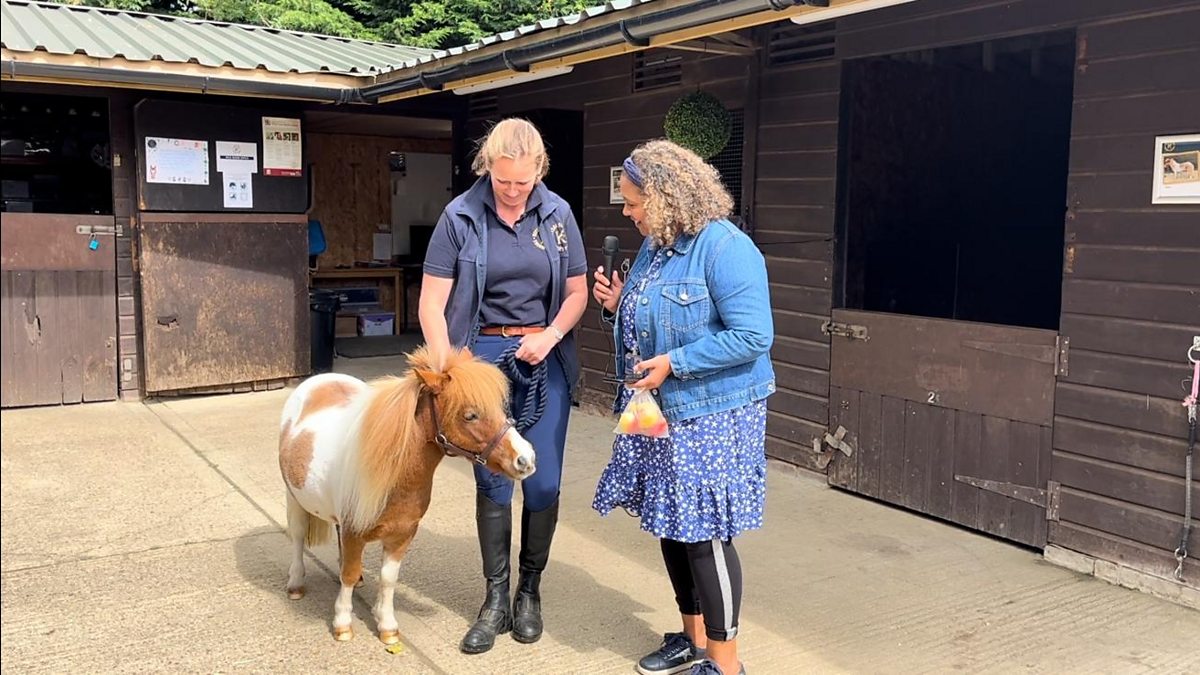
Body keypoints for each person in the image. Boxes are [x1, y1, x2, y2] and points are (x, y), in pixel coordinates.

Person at [591, 140, 775, 675]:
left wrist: (675, 361)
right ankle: (694, 640)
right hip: (654, 405)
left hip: (708, 411)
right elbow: (650, 322)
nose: (627, 213)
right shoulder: (656, 246)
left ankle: (726, 664)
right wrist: (619, 304)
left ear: (667, 197)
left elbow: (753, 336)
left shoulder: (725, 248)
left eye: (633, 203)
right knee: (670, 523)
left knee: (706, 534)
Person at [419, 118, 588, 654]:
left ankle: (529, 591)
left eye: (523, 182)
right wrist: (451, 366)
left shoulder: (558, 214)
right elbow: (431, 302)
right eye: (503, 181)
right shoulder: (460, 217)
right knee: (493, 480)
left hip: (542, 353)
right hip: (480, 355)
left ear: (539, 170)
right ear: (486, 167)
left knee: (541, 480)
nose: (513, 192)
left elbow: (578, 292)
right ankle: (494, 597)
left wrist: (551, 334)